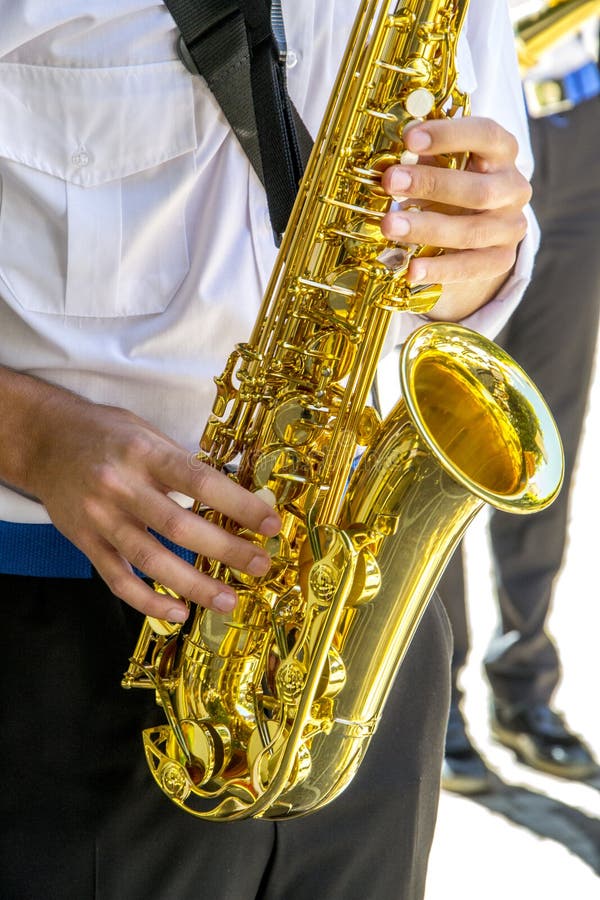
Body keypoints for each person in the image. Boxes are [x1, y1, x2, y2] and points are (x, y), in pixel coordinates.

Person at [0, 2, 536, 898]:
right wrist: (30, 434)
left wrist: (479, 256)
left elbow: (492, 205)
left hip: (358, 622)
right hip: (64, 628)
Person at [439, 6, 600, 795]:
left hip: (576, 123)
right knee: (445, 440)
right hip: (464, 134)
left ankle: (524, 687)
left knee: (548, 438)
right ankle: (438, 703)